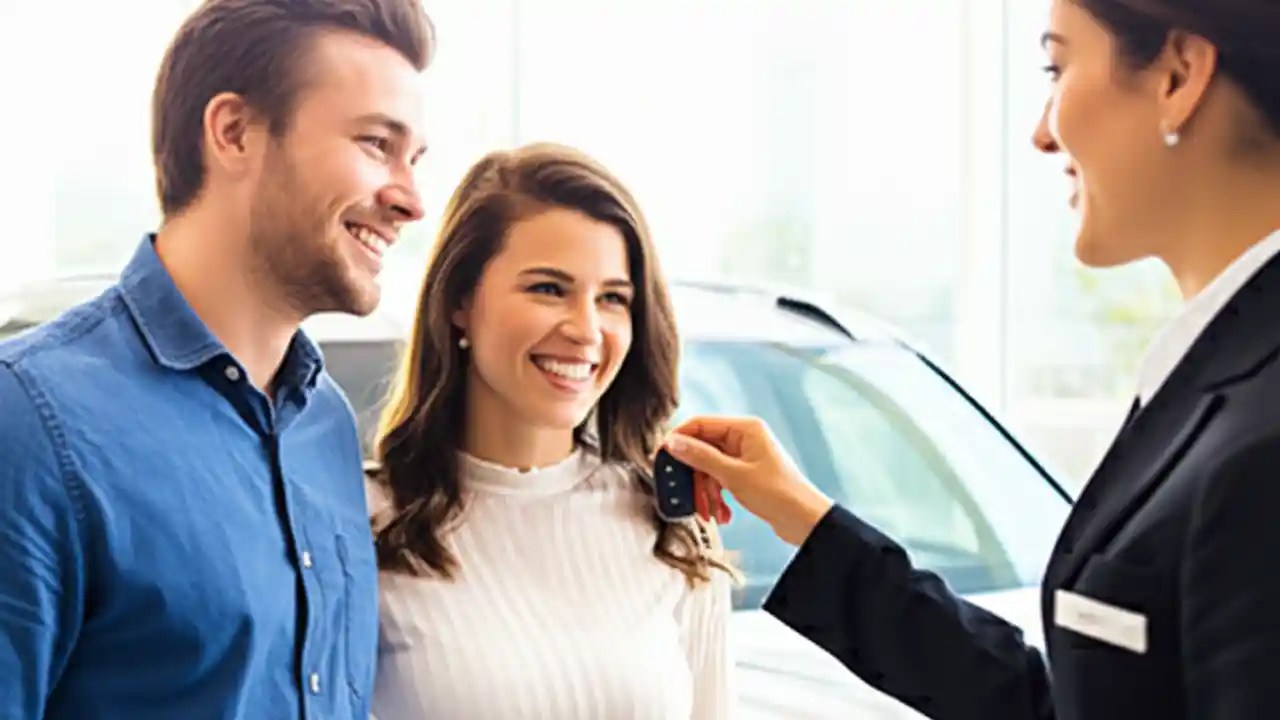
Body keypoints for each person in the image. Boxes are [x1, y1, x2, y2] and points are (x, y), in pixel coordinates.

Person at [662, 0, 1280, 719]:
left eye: (1059, 67)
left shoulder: (1263, 435)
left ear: (1177, 75)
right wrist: (807, 519)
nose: (1042, 132)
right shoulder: (1216, 373)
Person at [0, 1, 434, 717]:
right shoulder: (29, 423)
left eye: (414, 159)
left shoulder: (323, 424)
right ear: (233, 133)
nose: (413, 200)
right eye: (375, 144)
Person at [365, 142, 737, 719]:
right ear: (461, 300)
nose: (587, 330)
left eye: (613, 298)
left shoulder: (671, 524)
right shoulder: (368, 524)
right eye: (548, 289)